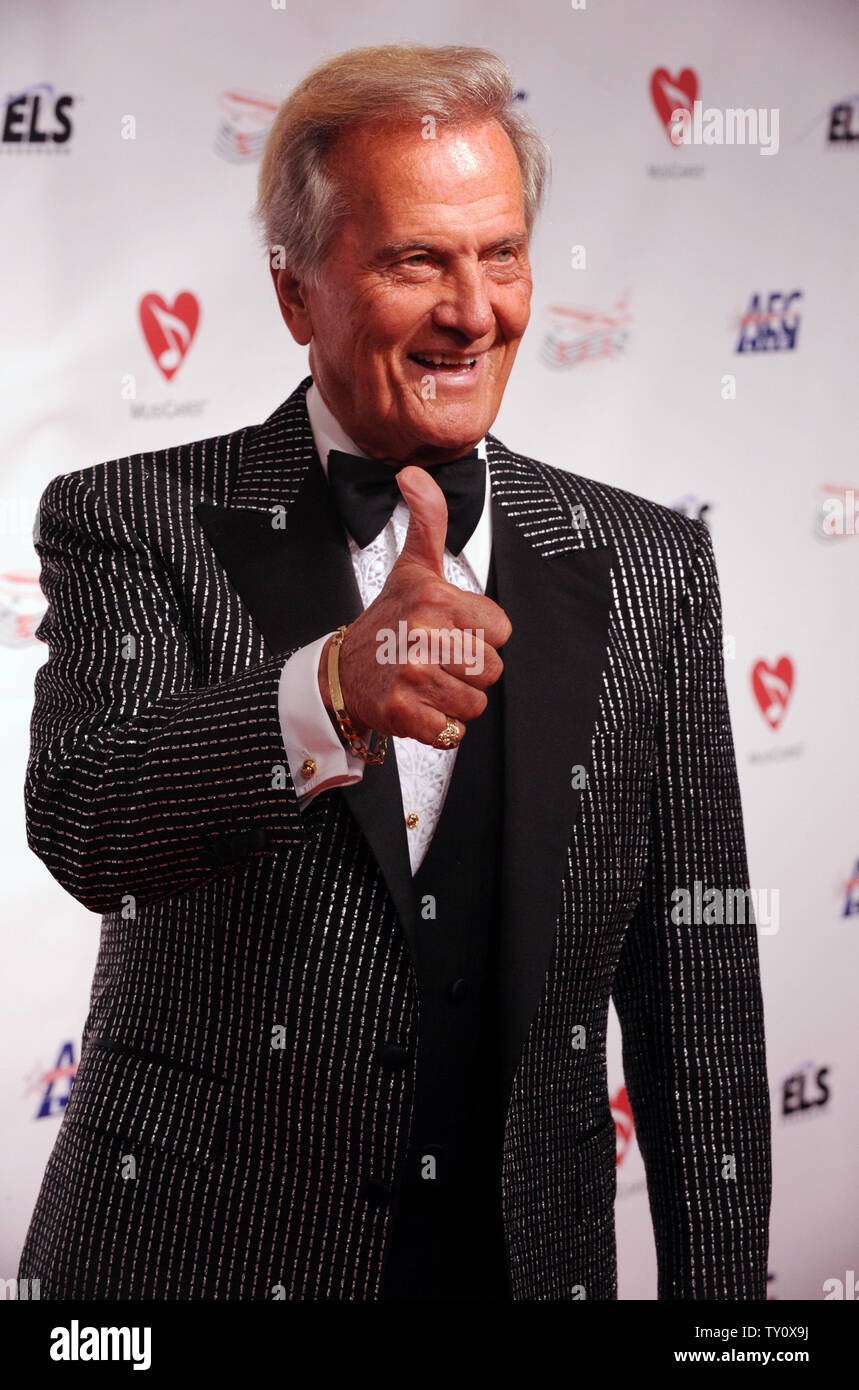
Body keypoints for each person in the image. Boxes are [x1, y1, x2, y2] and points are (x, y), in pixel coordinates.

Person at [19, 43, 770, 1301]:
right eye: (417, 260)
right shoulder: (132, 516)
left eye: (502, 254)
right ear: (294, 291)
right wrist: (326, 692)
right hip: (195, 1263)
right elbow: (87, 819)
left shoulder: (652, 562)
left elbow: (698, 989)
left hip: (527, 1262)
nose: (474, 311)